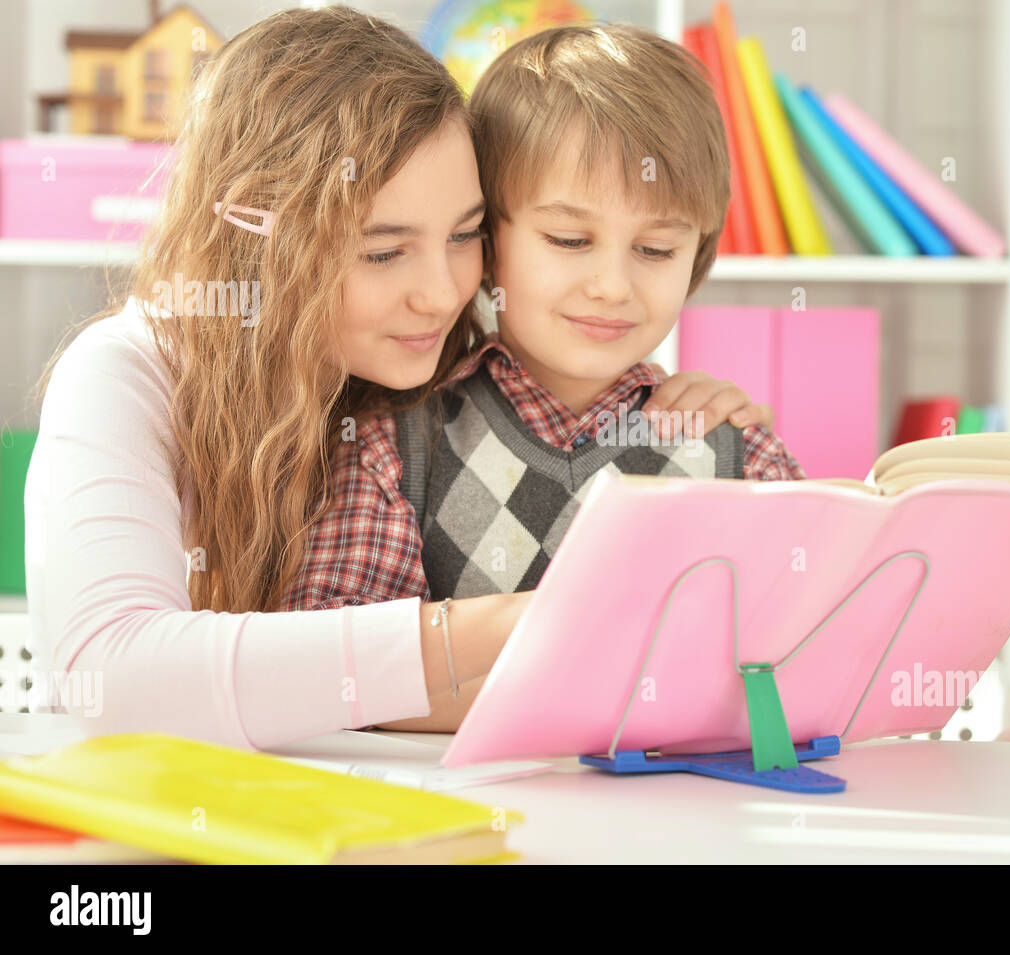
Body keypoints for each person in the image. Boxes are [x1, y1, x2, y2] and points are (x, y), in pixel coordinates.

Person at [23, 6, 771, 751]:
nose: (443, 294)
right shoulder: (121, 376)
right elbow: (115, 680)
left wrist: (673, 412)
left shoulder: (422, 387)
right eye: (383, 252)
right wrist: (549, 613)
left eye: (464, 235)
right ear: (255, 241)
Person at [282, 24, 805, 733]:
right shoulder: (391, 449)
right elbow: (331, 670)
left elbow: (807, 667)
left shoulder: (738, 454)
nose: (612, 285)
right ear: (488, 246)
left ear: (697, 257)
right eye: (569, 240)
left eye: (655, 248)